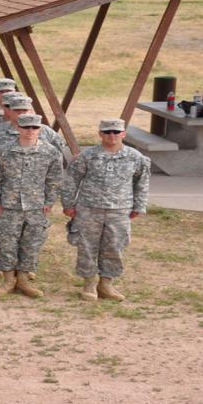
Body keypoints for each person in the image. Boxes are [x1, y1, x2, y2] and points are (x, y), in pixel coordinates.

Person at [62, 118, 151, 301]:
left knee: (114, 247)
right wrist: (68, 204)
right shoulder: (87, 156)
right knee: (87, 247)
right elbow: (71, 180)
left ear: (123, 134)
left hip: (119, 210)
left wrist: (139, 206)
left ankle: (106, 284)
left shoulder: (135, 157)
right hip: (89, 209)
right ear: (100, 134)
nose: (112, 135)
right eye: (107, 132)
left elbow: (142, 183)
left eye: (116, 132)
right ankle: (89, 284)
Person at [0, 113, 63, 298]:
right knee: (7, 243)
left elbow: (55, 180)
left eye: (34, 127)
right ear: (18, 128)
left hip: (36, 207)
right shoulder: (4, 152)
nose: (30, 131)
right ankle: (8, 280)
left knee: (31, 243)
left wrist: (49, 201)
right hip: (9, 207)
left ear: (40, 129)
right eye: (26, 127)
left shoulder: (50, 152)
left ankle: (24, 280)